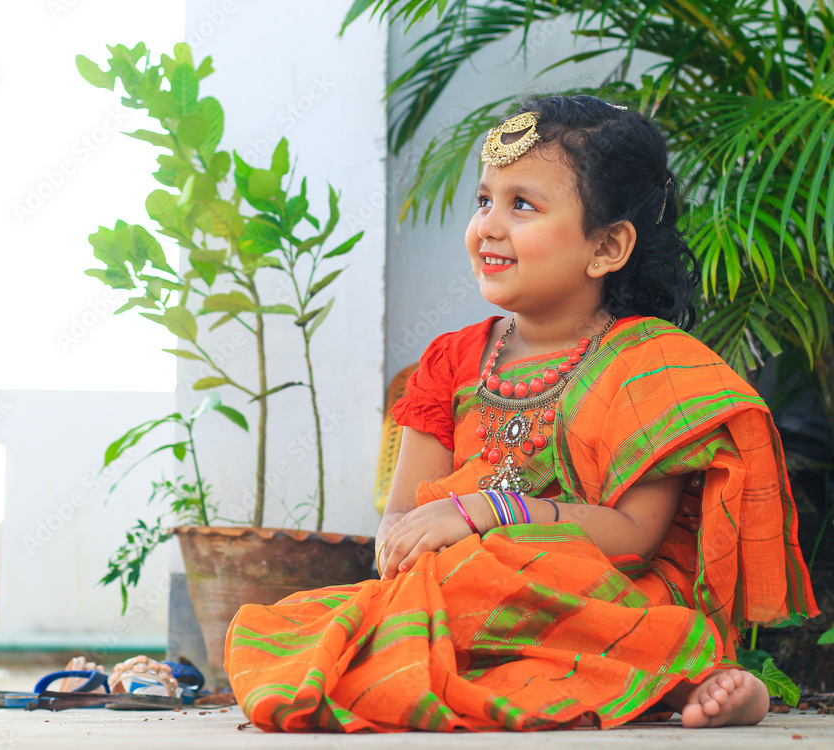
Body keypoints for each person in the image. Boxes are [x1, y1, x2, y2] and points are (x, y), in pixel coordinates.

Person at [223, 95, 818, 732]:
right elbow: (401, 514)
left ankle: (689, 683)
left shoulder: (652, 366)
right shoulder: (451, 361)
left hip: (596, 592)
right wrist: (411, 553)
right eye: (484, 200)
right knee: (297, 631)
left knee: (546, 591)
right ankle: (631, 684)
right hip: (460, 594)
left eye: (522, 205)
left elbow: (636, 534)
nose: (489, 226)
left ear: (608, 245)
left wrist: (492, 513)